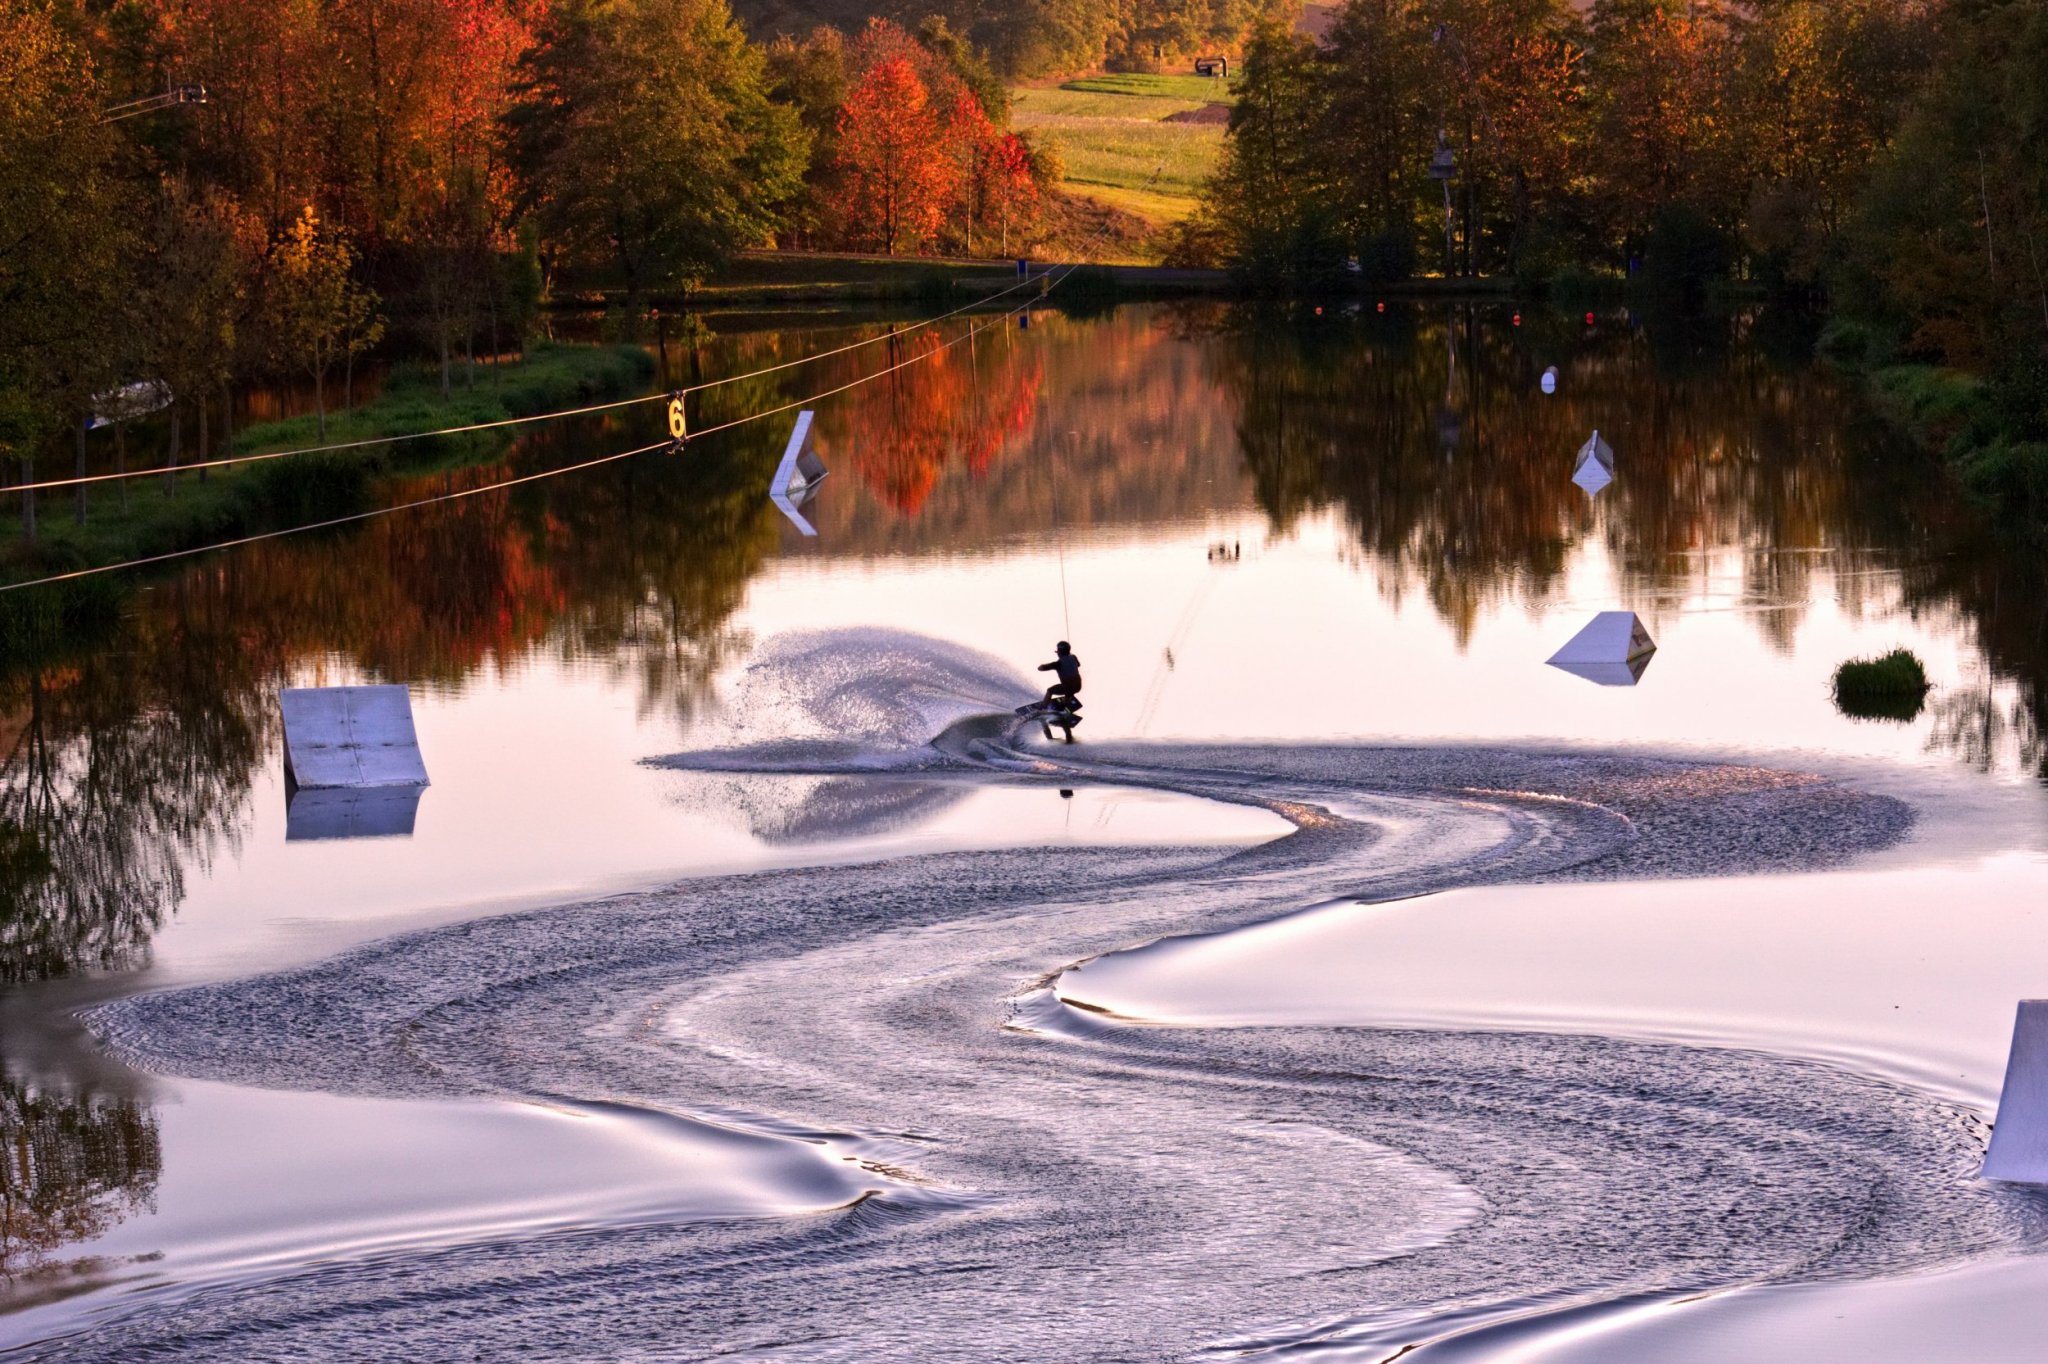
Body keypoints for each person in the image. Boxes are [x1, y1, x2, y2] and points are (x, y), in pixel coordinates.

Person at [1037, 641, 1082, 711]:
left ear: (1060, 652)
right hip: (1078, 686)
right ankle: (1065, 703)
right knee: (1069, 689)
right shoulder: (1073, 657)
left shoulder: (1058, 664)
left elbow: (1040, 668)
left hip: (1068, 687)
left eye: (1058, 651)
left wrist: (1041, 666)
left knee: (1050, 690)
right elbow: (1078, 665)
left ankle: (1042, 708)